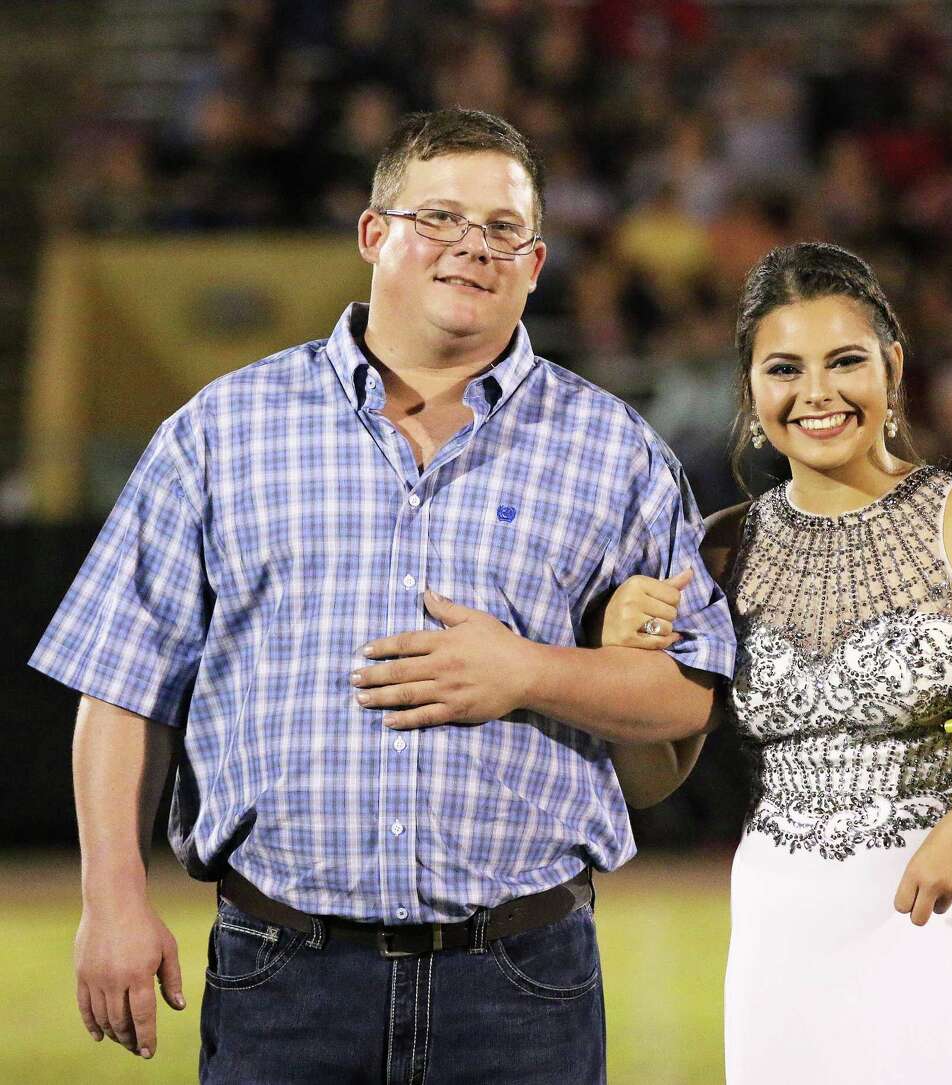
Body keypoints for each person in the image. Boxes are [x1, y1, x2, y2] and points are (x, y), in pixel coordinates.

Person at [30, 109, 736, 1084]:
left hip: (522, 979)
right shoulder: (222, 431)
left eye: (502, 230)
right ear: (374, 233)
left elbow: (690, 689)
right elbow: (119, 681)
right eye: (440, 217)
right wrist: (112, 895)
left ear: (535, 264)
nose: (472, 249)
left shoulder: (615, 450)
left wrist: (525, 670)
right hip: (284, 977)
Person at [589, 242, 952, 1083]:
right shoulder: (719, 550)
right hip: (784, 927)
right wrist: (616, 661)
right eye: (785, 368)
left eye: (845, 361)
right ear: (750, 388)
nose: (817, 393)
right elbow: (656, 777)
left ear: (893, 367)